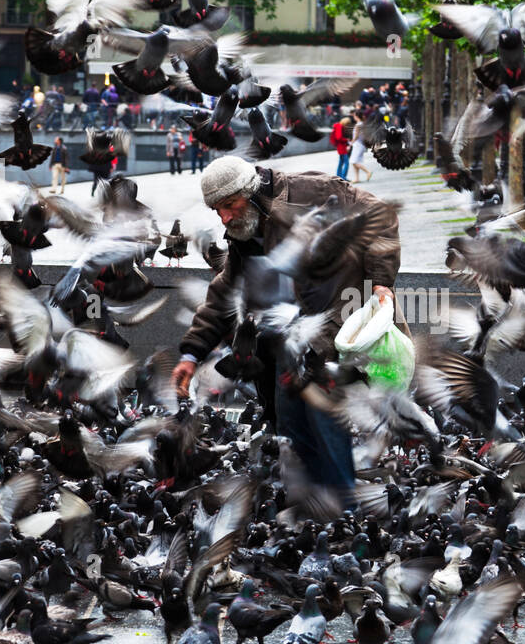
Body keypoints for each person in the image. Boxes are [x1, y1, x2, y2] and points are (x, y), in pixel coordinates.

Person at [171, 156, 401, 493]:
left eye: (230, 205)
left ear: (249, 193)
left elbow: (382, 216)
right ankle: (310, 508)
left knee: (322, 420)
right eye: (217, 210)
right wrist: (191, 354)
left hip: (336, 326)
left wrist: (380, 282)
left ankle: (342, 510)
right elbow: (225, 290)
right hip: (287, 342)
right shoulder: (244, 232)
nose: (225, 217)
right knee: (289, 426)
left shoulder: (310, 191)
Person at [349, 118, 372, 183]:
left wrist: (351, 143)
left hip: (358, 145)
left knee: (353, 162)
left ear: (356, 116)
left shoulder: (358, 125)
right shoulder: (363, 124)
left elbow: (356, 136)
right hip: (362, 145)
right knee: (356, 161)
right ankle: (357, 178)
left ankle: (368, 172)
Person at [331, 114, 352, 178]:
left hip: (340, 146)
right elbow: (338, 137)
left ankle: (339, 175)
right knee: (346, 162)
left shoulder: (338, 125)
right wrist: (346, 140)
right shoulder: (339, 126)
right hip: (341, 147)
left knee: (341, 162)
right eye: (347, 124)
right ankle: (343, 177)